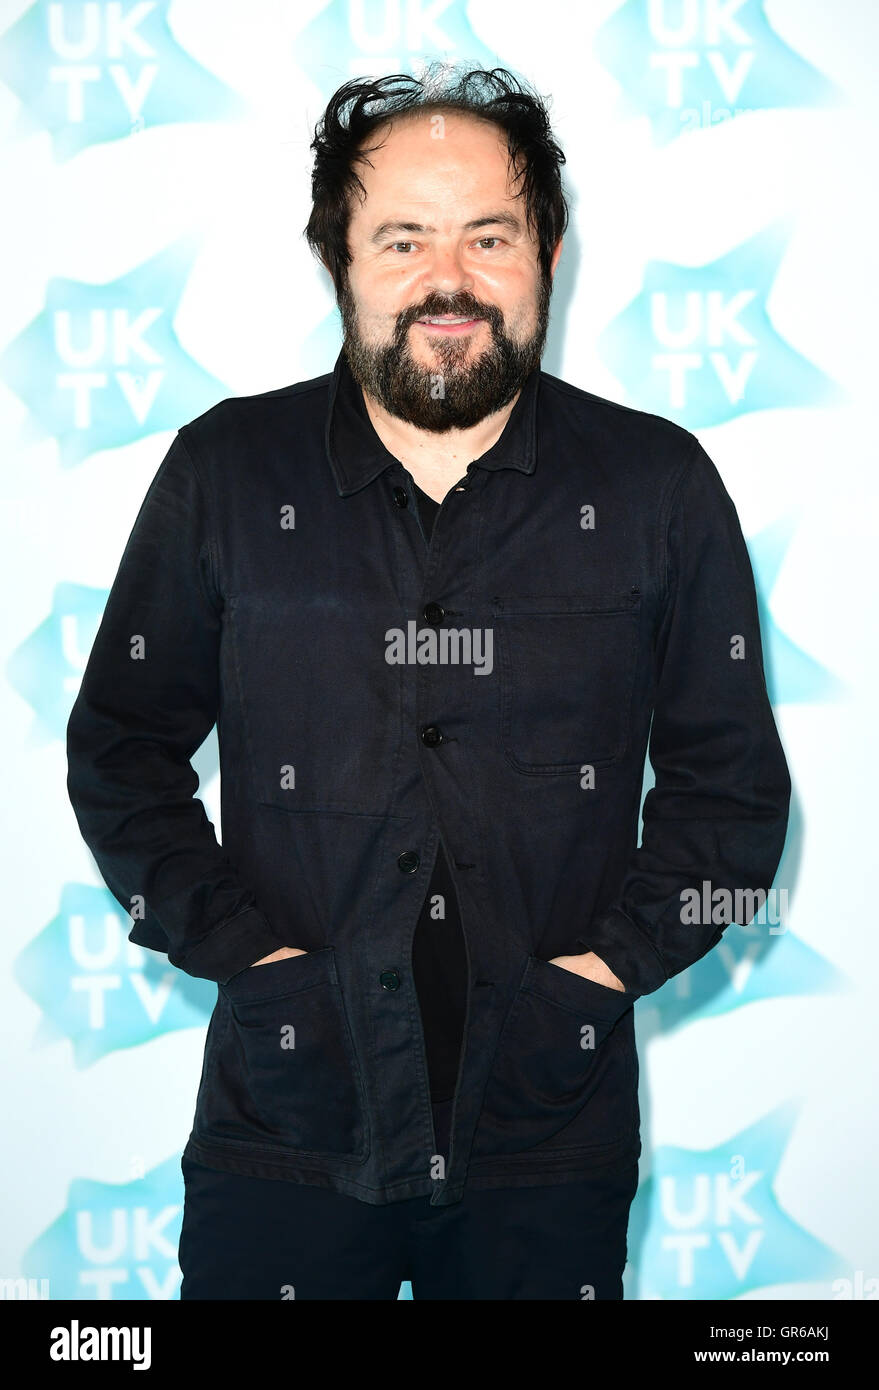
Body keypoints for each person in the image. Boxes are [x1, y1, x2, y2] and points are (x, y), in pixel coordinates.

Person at [65, 64, 791, 1300]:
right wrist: (246, 957)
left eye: (487, 235)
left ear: (547, 249)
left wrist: (604, 974)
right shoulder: (226, 475)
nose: (446, 279)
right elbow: (120, 750)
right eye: (400, 238)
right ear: (336, 259)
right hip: (285, 1131)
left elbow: (731, 795)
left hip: (548, 1142)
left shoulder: (659, 487)